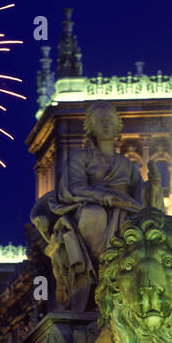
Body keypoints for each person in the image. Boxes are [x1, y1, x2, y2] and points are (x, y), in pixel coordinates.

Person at [31, 102, 156, 312]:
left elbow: (139, 195)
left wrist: (154, 186)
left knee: (148, 227)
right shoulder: (80, 159)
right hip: (88, 208)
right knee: (95, 215)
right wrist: (101, 195)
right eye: (101, 121)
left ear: (117, 126)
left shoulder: (126, 164)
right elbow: (73, 187)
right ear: (90, 127)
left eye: (110, 121)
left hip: (125, 209)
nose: (106, 125)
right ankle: (100, 276)